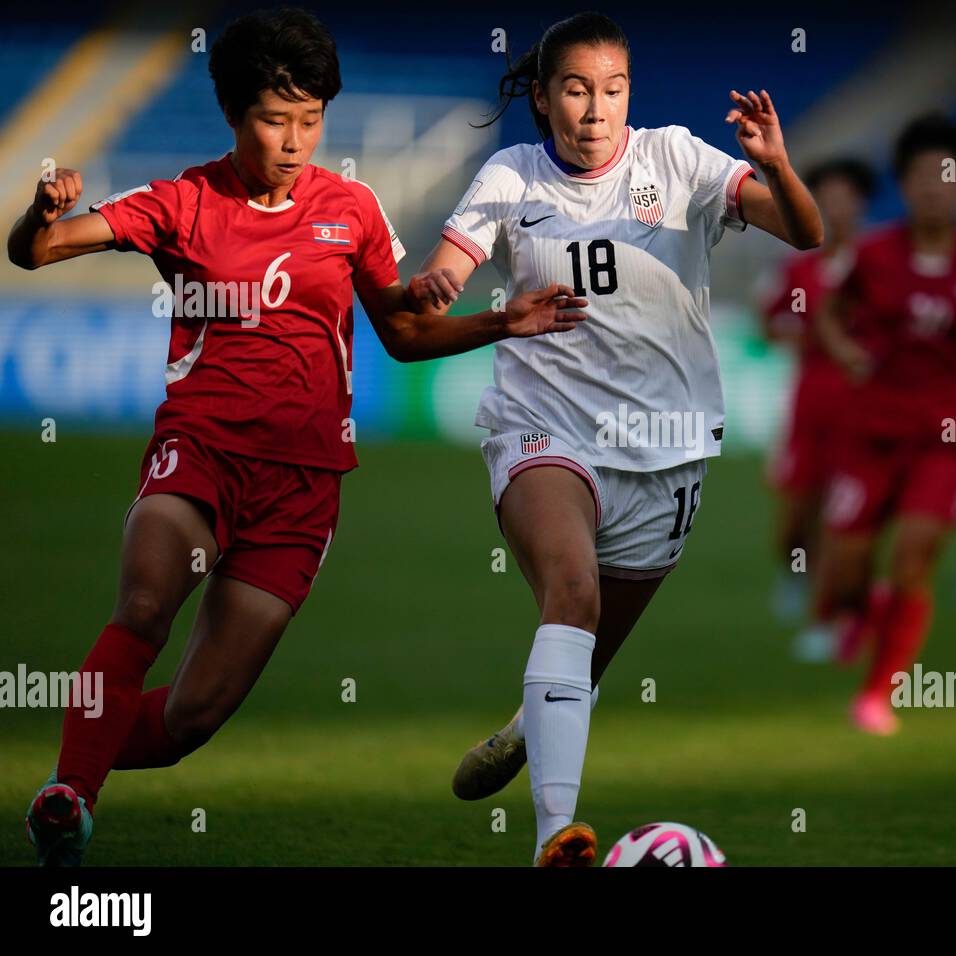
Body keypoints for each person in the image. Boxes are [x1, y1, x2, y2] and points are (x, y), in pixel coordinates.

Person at [9, 7, 581, 866]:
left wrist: (507, 320)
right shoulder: (181, 202)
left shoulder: (349, 209)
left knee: (192, 718)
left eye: (310, 120)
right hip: (198, 454)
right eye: (275, 120)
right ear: (235, 116)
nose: (294, 139)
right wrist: (36, 213)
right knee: (143, 605)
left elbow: (404, 334)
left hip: (303, 489)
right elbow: (40, 250)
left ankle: (71, 757)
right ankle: (69, 797)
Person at [405, 12, 821, 865]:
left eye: (614, 89)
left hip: (666, 452)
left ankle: (534, 722)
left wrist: (777, 164)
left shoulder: (675, 159)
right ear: (544, 95)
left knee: (580, 657)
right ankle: (556, 835)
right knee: (572, 593)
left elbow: (807, 233)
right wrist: (443, 289)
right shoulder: (510, 176)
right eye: (577, 89)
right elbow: (448, 271)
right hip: (544, 429)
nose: (597, 110)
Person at [812, 113, 956, 734]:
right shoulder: (874, 254)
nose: (933, 188)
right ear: (905, 185)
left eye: (946, 176)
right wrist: (847, 351)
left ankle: (878, 694)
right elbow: (830, 311)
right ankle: (864, 607)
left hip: (947, 432)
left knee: (915, 554)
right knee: (846, 569)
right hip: (871, 428)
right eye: (920, 176)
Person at [758, 157, 876, 659]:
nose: (836, 208)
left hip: (864, 408)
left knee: (842, 519)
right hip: (809, 406)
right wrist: (794, 332)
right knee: (796, 519)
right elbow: (770, 321)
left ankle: (833, 617)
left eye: (845, 198)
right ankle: (795, 574)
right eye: (825, 198)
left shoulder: (878, 261)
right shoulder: (800, 266)